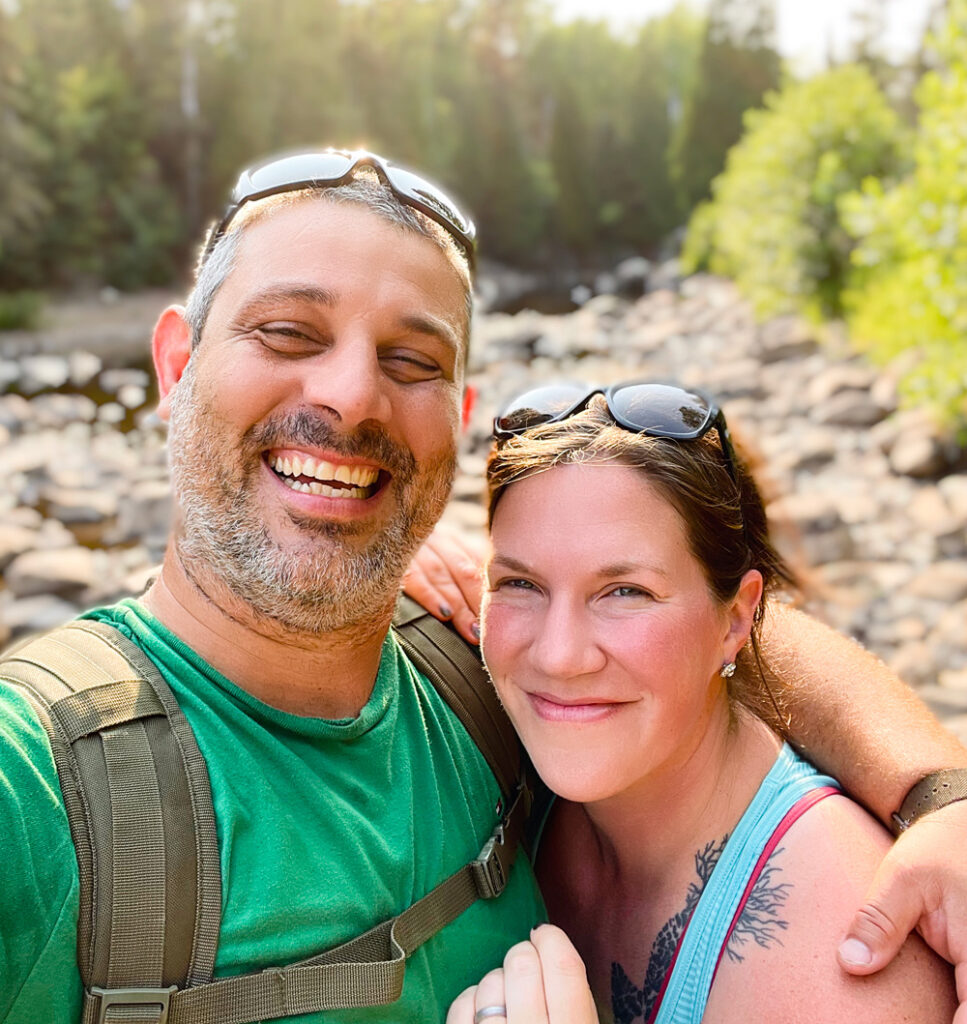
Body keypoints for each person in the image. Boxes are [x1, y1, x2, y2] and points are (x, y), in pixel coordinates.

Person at [0, 147, 965, 1023]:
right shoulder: (36, 787)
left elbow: (709, 632)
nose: (347, 395)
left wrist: (938, 796)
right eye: (290, 331)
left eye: (409, 360)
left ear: (453, 423)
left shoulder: (484, 670)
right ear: (174, 365)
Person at [445, 383, 957, 1023]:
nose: (558, 656)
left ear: (736, 618)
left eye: (625, 591)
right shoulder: (515, 759)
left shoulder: (836, 959)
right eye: (520, 583)